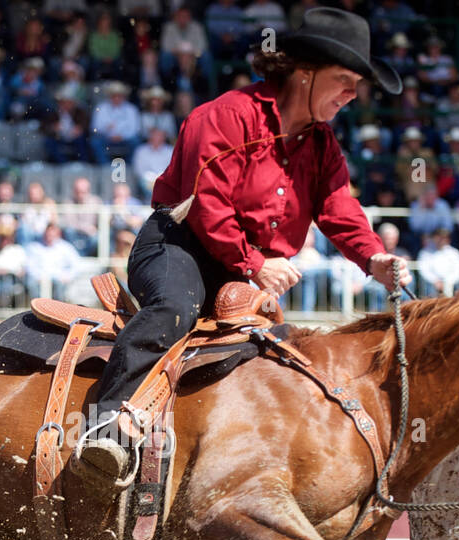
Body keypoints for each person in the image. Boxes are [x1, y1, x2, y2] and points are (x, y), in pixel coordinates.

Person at [71, 8, 409, 494]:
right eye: (344, 80)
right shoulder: (227, 116)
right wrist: (255, 263)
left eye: (357, 84)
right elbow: (207, 203)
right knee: (173, 308)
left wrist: (373, 258)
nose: (353, 95)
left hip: (246, 267)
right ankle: (102, 430)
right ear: (305, 74)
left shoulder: (323, 145)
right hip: (178, 243)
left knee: (280, 355)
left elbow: (338, 207)